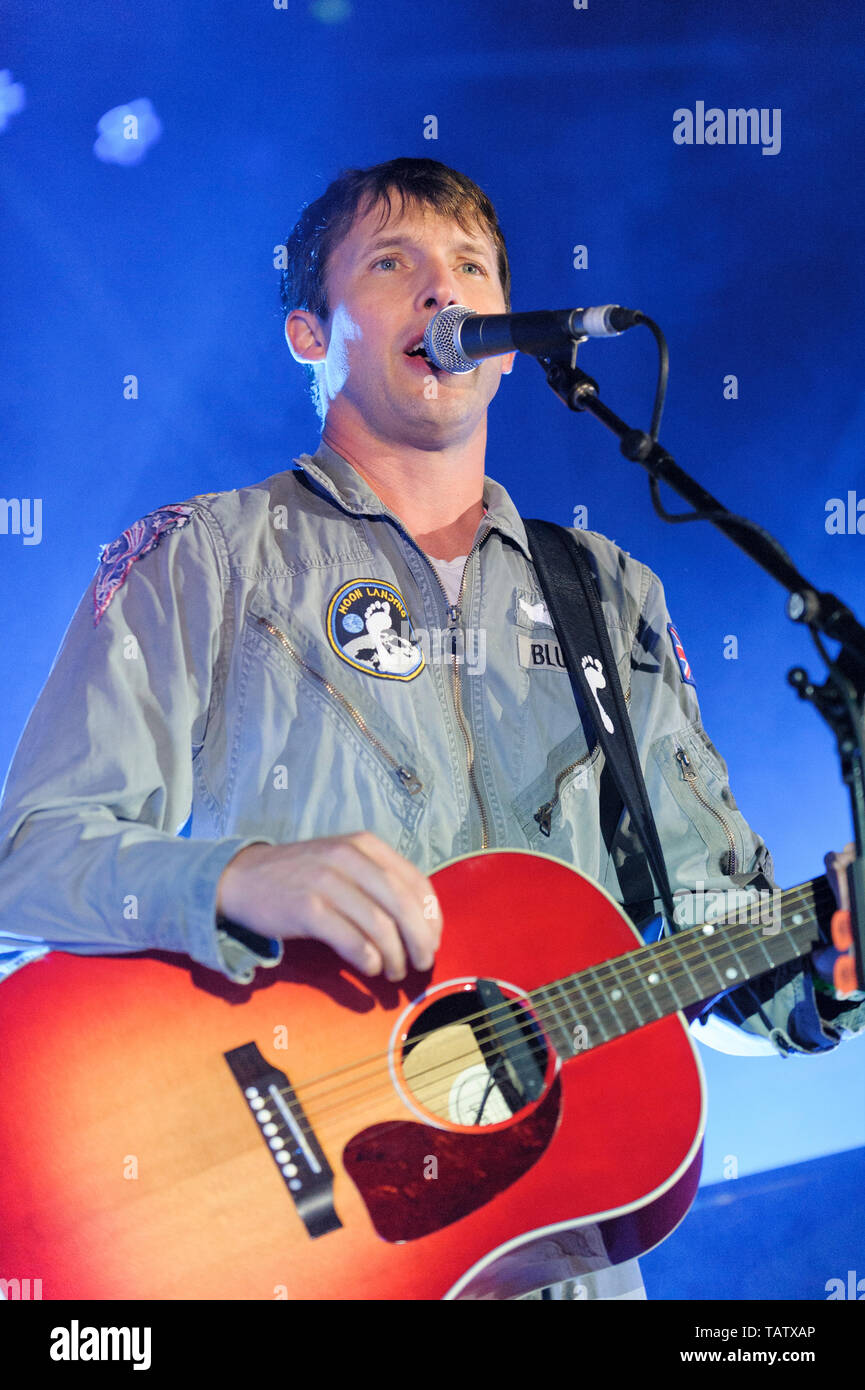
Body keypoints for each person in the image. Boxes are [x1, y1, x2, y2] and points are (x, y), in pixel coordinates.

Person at [0, 157, 861, 1301]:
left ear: (507, 340)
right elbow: (28, 863)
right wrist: (236, 878)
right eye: (392, 264)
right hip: (274, 1234)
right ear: (309, 333)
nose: (440, 291)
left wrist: (829, 967)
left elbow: (720, 954)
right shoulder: (206, 554)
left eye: (468, 268)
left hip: (543, 1258)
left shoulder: (608, 594)